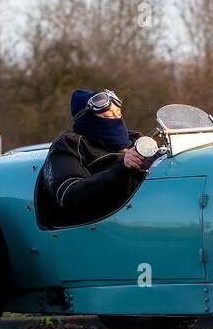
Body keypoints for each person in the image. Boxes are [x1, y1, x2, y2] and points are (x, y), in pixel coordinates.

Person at [40, 88, 153, 226]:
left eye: (118, 114)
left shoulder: (137, 141)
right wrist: (123, 168)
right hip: (104, 225)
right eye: (108, 116)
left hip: (150, 212)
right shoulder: (70, 144)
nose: (116, 120)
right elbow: (69, 196)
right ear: (87, 119)